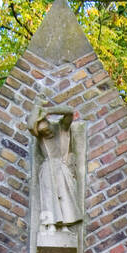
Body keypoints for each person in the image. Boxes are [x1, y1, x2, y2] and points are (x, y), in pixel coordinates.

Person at [29, 101, 81, 236]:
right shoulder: (40, 135)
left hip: (62, 166)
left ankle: (65, 226)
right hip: (47, 166)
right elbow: (30, 125)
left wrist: (49, 110)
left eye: (47, 129)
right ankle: (50, 225)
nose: (46, 133)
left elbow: (69, 111)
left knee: (65, 195)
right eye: (43, 132)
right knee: (48, 195)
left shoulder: (62, 128)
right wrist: (37, 107)